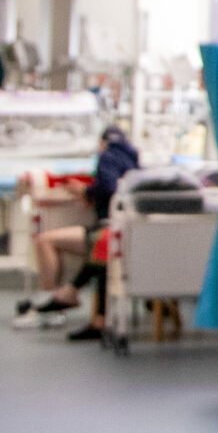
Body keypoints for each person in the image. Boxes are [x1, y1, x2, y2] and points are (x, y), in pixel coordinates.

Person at [15, 125, 137, 336]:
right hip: (126, 229)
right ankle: (71, 297)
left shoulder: (107, 157)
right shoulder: (133, 161)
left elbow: (108, 187)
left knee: (45, 240)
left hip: (107, 229)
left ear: (102, 143)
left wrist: (86, 191)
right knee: (101, 251)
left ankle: (54, 297)